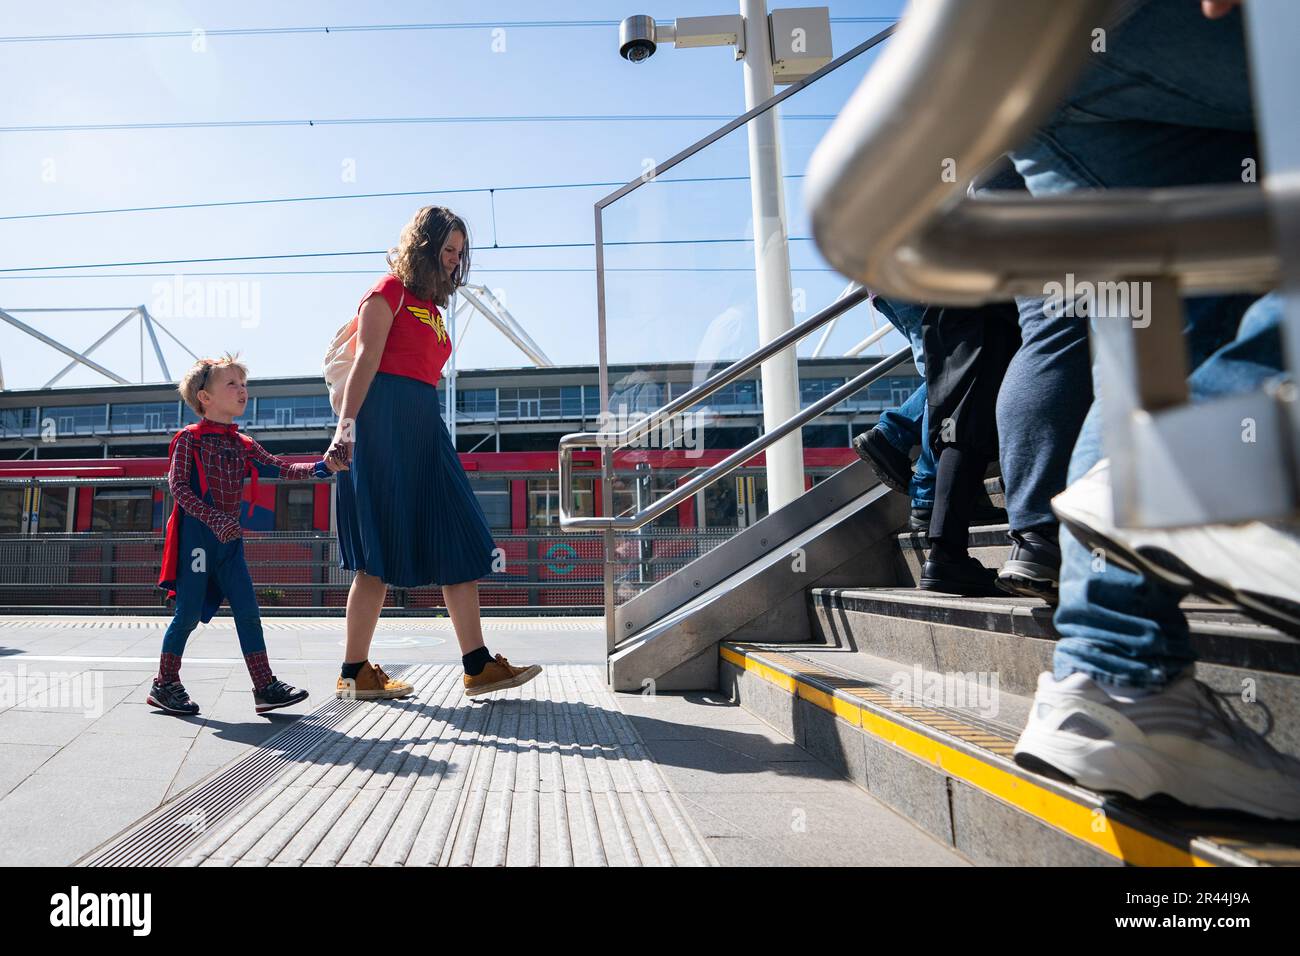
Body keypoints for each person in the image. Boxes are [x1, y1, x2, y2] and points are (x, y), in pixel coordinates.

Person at [1007, 0, 1300, 816]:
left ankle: (1117, 682)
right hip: (1130, 21)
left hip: (1008, 65)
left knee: (1164, 317)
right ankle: (1238, 457)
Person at [328, 205, 542, 700]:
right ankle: (354, 672)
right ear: (422, 247)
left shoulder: (433, 309)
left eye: (460, 252)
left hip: (425, 424)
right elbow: (366, 361)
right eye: (447, 249)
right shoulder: (387, 293)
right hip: (383, 424)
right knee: (376, 554)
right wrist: (347, 429)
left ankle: (478, 665)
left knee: (458, 534)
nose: (453, 260)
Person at [151, 353, 335, 716]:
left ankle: (265, 687)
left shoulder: (242, 442)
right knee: (187, 614)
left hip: (229, 542)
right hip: (197, 541)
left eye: (244, 384)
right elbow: (178, 489)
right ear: (205, 397)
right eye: (232, 384)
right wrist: (215, 519)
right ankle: (164, 683)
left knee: (248, 612)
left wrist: (323, 466)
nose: (242, 390)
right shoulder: (188, 439)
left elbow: (280, 467)